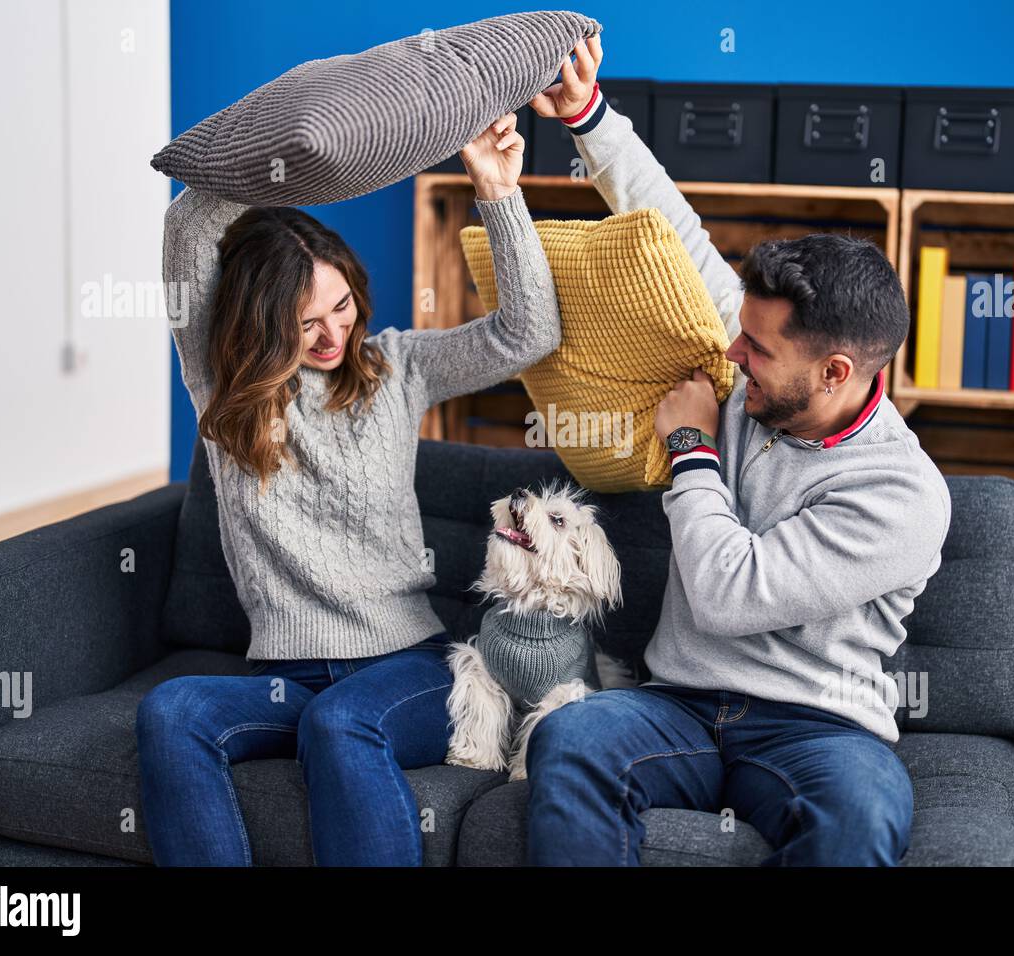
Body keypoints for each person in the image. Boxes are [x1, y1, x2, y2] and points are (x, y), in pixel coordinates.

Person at [524, 36, 952, 866]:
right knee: (572, 739)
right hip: (678, 706)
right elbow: (673, 229)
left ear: (834, 371)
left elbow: (729, 592)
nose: (730, 356)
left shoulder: (903, 496)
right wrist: (587, 116)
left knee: (862, 814)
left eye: (755, 351)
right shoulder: (762, 366)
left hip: (816, 725)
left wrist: (689, 446)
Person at [135, 109, 561, 866]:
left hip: (409, 666)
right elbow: (190, 222)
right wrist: (306, 141)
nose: (337, 335)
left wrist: (497, 190)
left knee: (341, 723)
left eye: (343, 306)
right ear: (262, 326)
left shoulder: (399, 367)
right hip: (283, 677)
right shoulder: (225, 388)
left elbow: (526, 333)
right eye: (306, 325)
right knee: (173, 710)